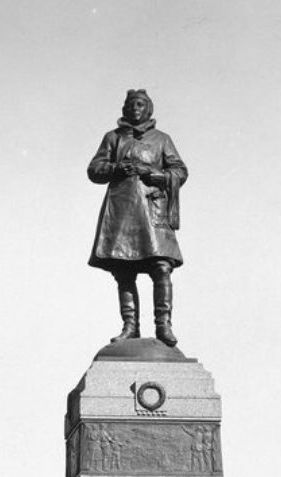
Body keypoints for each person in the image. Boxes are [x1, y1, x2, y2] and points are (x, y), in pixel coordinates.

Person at [87, 89, 188, 347]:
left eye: (140, 104)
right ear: (125, 109)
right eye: (131, 104)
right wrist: (115, 168)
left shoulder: (162, 139)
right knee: (124, 270)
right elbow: (94, 169)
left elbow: (180, 170)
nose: (135, 108)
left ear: (148, 109)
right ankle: (130, 326)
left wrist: (160, 177)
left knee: (161, 266)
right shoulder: (113, 138)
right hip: (122, 211)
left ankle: (163, 325)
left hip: (153, 209)